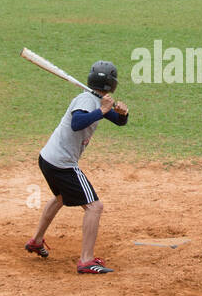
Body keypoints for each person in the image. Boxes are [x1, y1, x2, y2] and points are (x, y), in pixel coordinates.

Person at [26, 61, 129, 274]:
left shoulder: (96, 100)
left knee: (61, 198)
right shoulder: (86, 99)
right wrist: (102, 109)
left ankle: (36, 241)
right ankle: (86, 260)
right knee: (94, 207)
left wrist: (121, 113)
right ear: (113, 83)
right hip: (62, 164)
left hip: (49, 159)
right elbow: (77, 122)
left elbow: (118, 122)